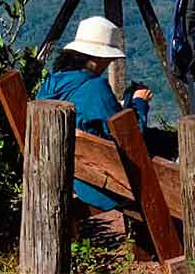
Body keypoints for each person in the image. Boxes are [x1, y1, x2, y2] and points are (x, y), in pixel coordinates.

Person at [36, 16, 153, 211]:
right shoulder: (95, 87)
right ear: (98, 58)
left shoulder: (51, 83)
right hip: (98, 184)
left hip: (64, 171)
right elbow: (132, 137)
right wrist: (139, 103)